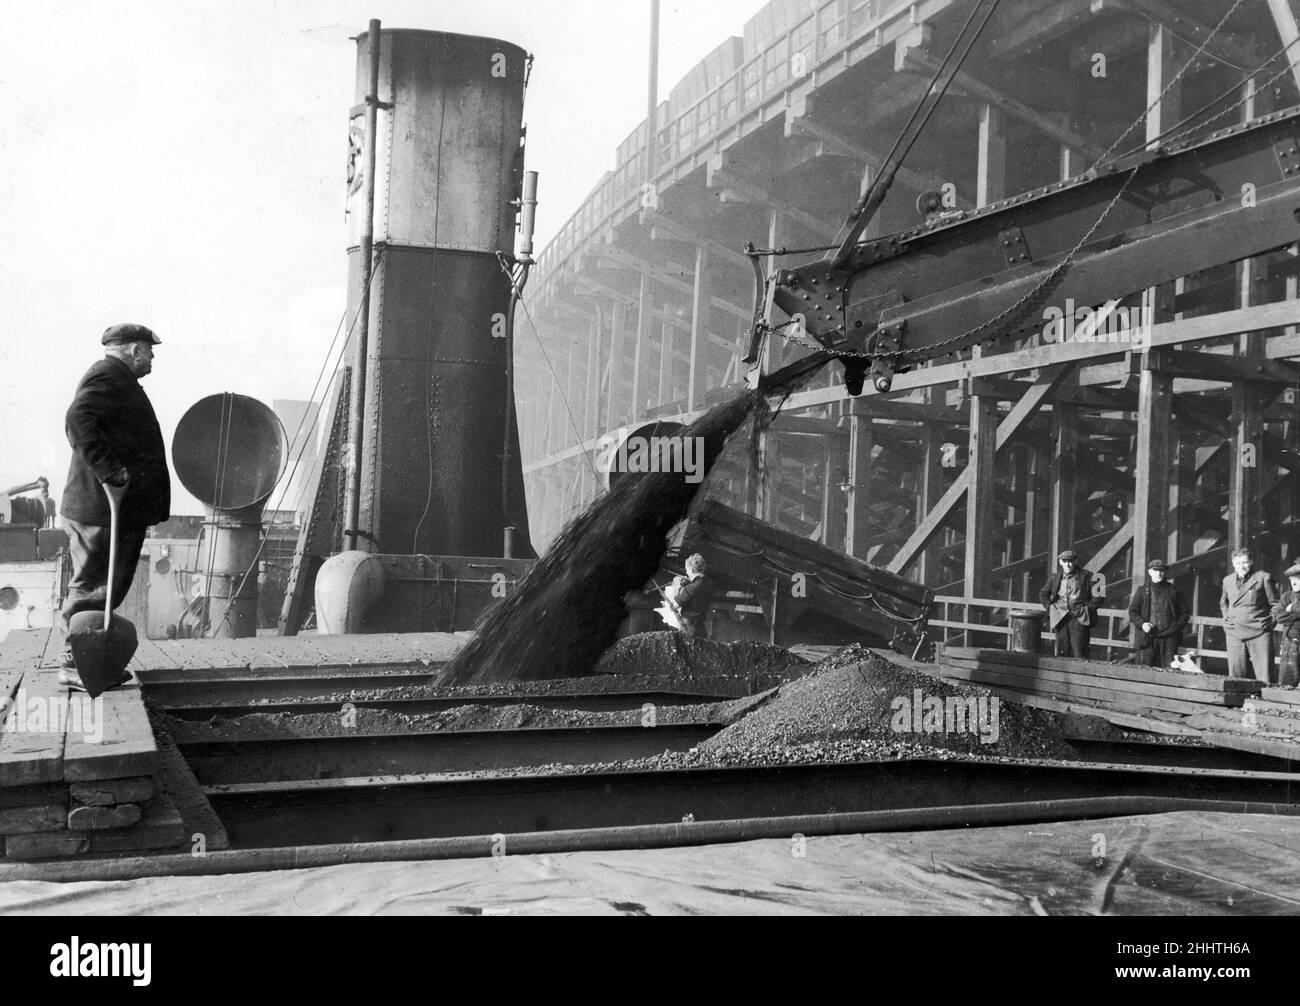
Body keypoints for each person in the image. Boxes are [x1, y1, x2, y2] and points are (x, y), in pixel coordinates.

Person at [58, 323, 170, 690]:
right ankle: (74, 662)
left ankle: (92, 661)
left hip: (110, 511)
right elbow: (78, 419)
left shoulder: (116, 378)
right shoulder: (108, 375)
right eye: (149, 350)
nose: (152, 357)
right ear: (135, 350)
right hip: (100, 510)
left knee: (104, 587)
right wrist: (112, 473)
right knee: (92, 587)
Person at [1219, 549, 1277, 682]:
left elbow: (1276, 604)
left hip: (1259, 630)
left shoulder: (1263, 578)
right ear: (1233, 563)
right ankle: (1237, 702)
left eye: (1245, 562)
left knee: (1264, 674)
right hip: (1234, 631)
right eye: (1238, 563)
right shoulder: (1227, 580)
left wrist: (1268, 623)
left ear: (1251, 562)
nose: (1242, 566)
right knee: (1236, 675)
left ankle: (1265, 702)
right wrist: (1226, 616)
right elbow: (1224, 601)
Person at [1127, 559, 1190, 667]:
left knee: (1168, 671)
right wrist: (1142, 624)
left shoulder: (1173, 590)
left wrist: (1176, 627)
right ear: (1149, 572)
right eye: (1155, 570)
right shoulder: (1142, 591)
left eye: (1161, 570)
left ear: (1164, 572)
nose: (1159, 573)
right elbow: (1133, 611)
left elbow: (1185, 612)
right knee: (1144, 671)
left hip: (1169, 639)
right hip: (1148, 638)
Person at [1039, 550, 1101, 658]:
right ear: (1060, 562)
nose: (1068, 564)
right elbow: (1043, 593)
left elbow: (1099, 597)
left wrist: (1086, 610)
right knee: (1061, 649)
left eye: (1070, 561)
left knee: (1079, 650)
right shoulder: (1054, 577)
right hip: (1060, 617)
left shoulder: (1088, 576)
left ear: (1075, 561)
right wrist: (1050, 608)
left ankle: (1080, 673)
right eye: (1064, 561)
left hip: (1079, 618)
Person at [664, 552, 714, 639]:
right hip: (701, 627)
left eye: (687, 569)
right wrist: (688, 584)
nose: (687, 572)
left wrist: (677, 586)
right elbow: (698, 589)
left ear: (691, 570)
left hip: (688, 629)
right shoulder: (709, 583)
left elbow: (673, 606)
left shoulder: (691, 588)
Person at [1272, 563, 1300, 688]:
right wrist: (1297, 613)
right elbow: (1279, 616)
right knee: (1288, 680)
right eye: (1292, 579)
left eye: (1298, 579)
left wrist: (1292, 608)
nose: (1294, 583)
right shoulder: (1287, 596)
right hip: (1290, 642)